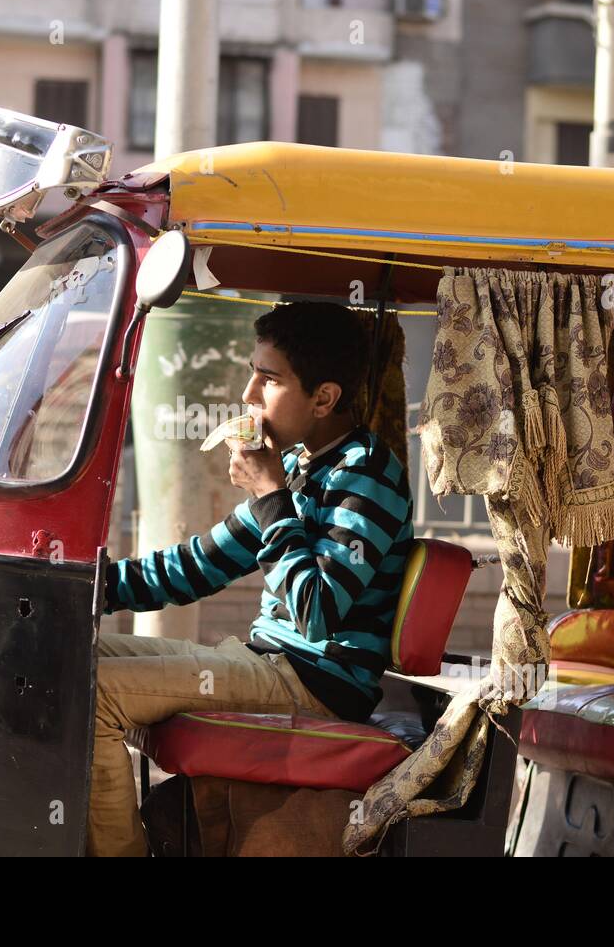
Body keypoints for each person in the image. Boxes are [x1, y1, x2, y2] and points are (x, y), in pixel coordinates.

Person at [88, 301, 415, 857]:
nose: (248, 395)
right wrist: (85, 586)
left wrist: (268, 497)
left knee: (93, 694)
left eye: (268, 379)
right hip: (265, 663)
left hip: (312, 682)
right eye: (251, 372)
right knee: (74, 655)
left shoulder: (368, 473)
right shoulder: (299, 469)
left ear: (324, 398)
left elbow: (318, 612)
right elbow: (196, 565)